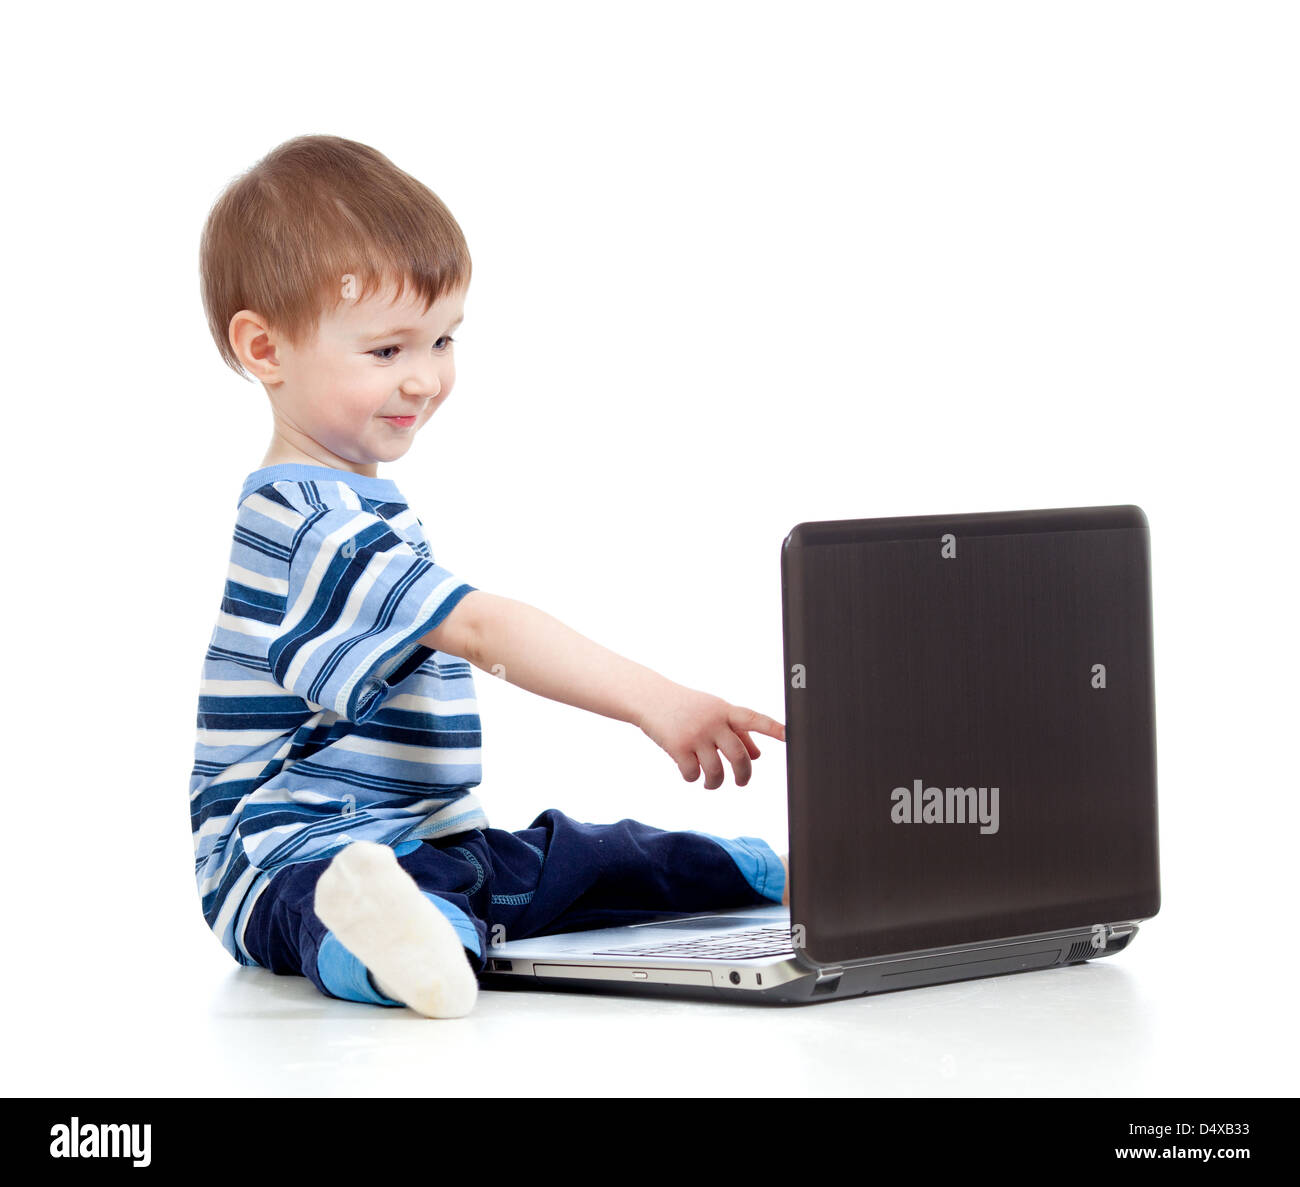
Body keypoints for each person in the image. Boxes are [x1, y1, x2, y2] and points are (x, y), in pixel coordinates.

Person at [191, 134, 788, 1018]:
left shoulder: (358, 503)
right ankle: (386, 940)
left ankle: (768, 869)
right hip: (282, 853)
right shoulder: (301, 522)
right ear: (265, 348)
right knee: (368, 897)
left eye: (442, 339)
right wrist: (658, 699)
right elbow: (480, 628)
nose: (426, 377)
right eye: (387, 351)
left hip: (426, 835)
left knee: (584, 857)